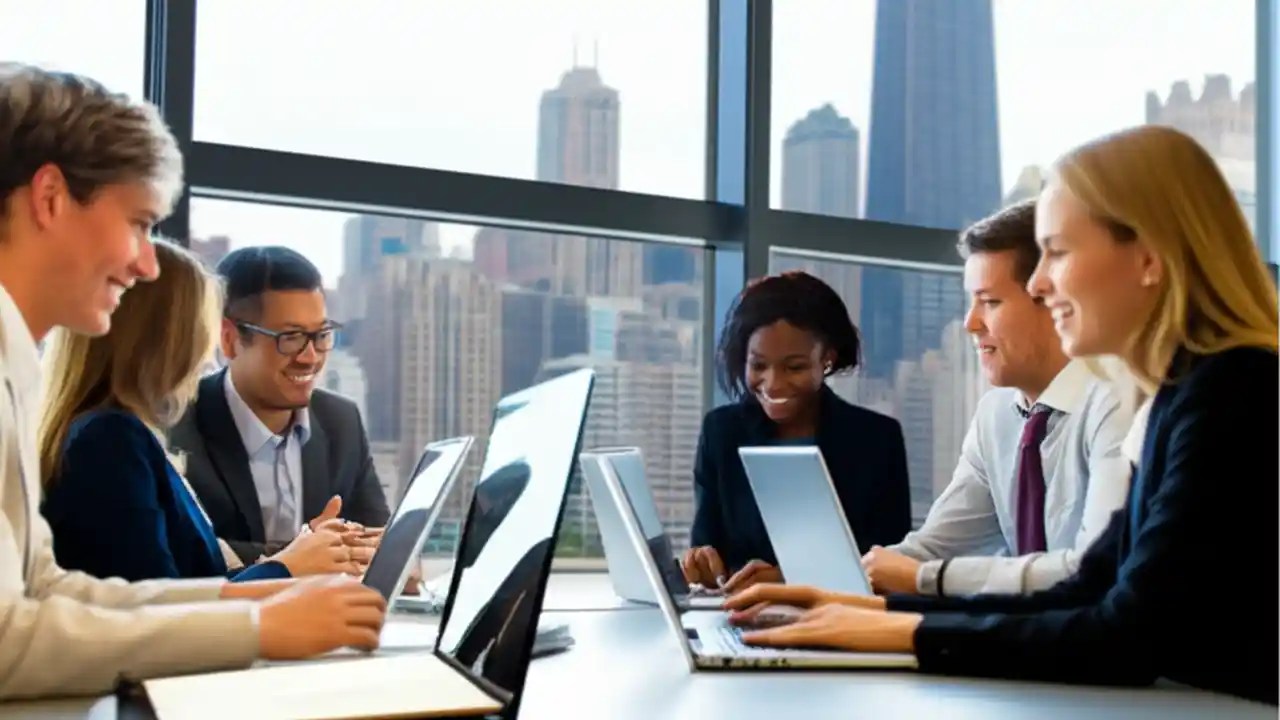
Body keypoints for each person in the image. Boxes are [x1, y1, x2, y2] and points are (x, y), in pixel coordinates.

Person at [723, 125, 1278, 705]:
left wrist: (900, 630)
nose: (1041, 282)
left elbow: (1127, 632)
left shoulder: (1237, 390)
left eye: (1058, 252)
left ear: (1148, 260)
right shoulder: (1183, 394)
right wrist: (873, 608)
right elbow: (1092, 585)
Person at [0, 63, 385, 700]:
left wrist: (266, 592)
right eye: (139, 224)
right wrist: (259, 624)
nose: (147, 261)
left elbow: (48, 587)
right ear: (50, 199)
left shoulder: (19, 366)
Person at [39, 239, 362, 583]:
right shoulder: (110, 440)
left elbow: (194, 586)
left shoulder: (113, 433)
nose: (207, 355)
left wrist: (295, 556)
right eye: (201, 330)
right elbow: (158, 613)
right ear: (165, 337)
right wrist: (287, 567)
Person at [861, 199, 1132, 597]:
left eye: (990, 302)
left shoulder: (1117, 400)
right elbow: (934, 547)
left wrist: (923, 579)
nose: (970, 323)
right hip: (1022, 642)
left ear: (1051, 299)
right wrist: (828, 585)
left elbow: (1093, 571)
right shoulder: (996, 413)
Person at [682, 271, 911, 592]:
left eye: (794, 367)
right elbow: (708, 542)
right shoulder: (722, 431)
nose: (773, 383)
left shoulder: (877, 439)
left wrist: (791, 578)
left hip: (841, 618)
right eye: (759, 365)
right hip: (741, 614)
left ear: (826, 359)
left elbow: (889, 563)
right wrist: (702, 562)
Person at [170, 246, 390, 566]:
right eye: (290, 337)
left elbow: (376, 544)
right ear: (229, 339)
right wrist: (302, 553)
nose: (310, 357)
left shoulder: (341, 421)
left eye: (321, 335)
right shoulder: (175, 423)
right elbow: (181, 552)